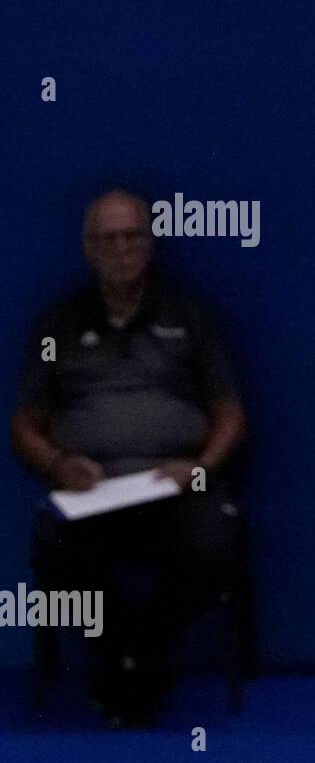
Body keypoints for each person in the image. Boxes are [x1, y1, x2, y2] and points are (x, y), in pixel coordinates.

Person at [10, 188, 248, 725]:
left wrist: (202, 468)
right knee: (54, 550)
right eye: (108, 239)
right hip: (90, 490)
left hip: (178, 486)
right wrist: (56, 466)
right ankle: (132, 657)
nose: (122, 248)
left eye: (133, 236)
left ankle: (133, 657)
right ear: (88, 249)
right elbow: (24, 424)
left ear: (151, 243)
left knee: (216, 545)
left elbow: (230, 412)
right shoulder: (57, 325)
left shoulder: (190, 317)